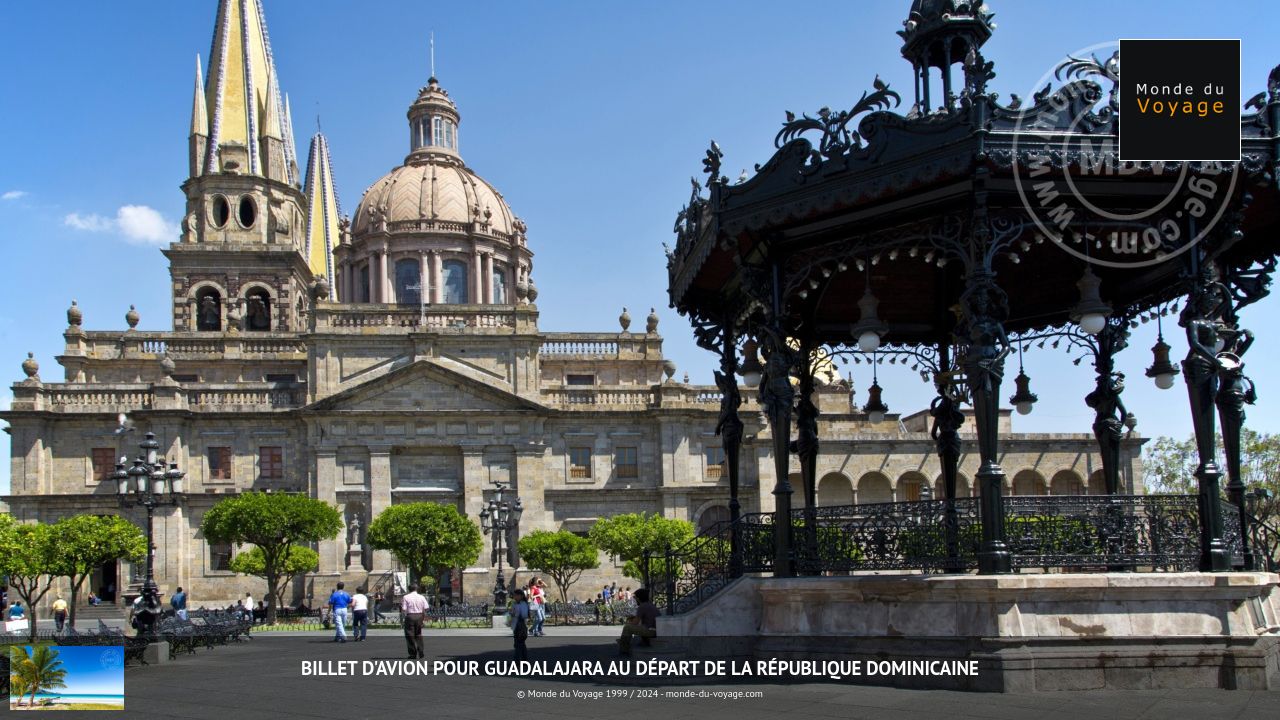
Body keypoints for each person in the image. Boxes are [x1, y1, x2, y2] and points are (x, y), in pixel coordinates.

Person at [617, 588, 659, 655]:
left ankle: (624, 648)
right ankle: (625, 642)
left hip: (651, 630)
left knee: (627, 627)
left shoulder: (642, 606)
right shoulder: (650, 605)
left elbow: (635, 622)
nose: (635, 599)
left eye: (635, 597)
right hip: (655, 629)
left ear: (639, 598)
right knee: (632, 626)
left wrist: (629, 621)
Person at [401, 583, 428, 659]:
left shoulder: (406, 597)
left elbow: (404, 609)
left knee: (410, 635)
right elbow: (426, 607)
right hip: (420, 615)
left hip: (410, 616)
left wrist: (403, 618)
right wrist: (423, 617)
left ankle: (413, 653)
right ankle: (421, 651)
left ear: (409, 589)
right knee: (419, 634)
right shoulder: (421, 597)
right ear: (417, 589)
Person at [509, 589, 530, 661]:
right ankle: (524, 660)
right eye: (514, 595)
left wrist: (514, 614)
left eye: (515, 595)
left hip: (521, 626)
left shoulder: (523, 604)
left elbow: (524, 615)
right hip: (516, 625)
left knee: (518, 644)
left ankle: (516, 661)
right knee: (521, 644)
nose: (514, 597)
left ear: (520, 596)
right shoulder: (515, 603)